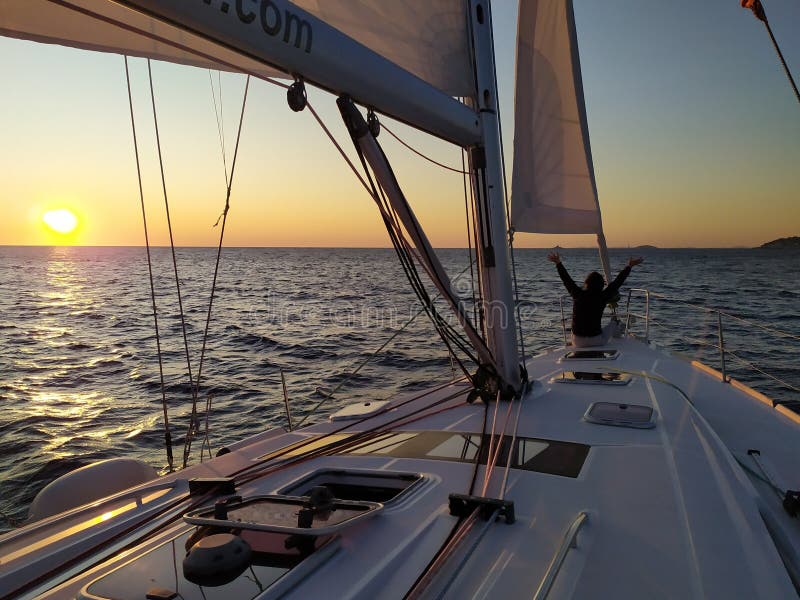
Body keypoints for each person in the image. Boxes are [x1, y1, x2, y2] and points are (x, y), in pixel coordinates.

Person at [547, 252, 644, 347]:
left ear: (587, 283)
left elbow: (566, 279)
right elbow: (617, 282)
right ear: (601, 285)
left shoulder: (577, 294)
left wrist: (558, 263)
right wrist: (629, 266)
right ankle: (619, 336)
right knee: (614, 323)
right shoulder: (603, 296)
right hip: (596, 340)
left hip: (577, 342)